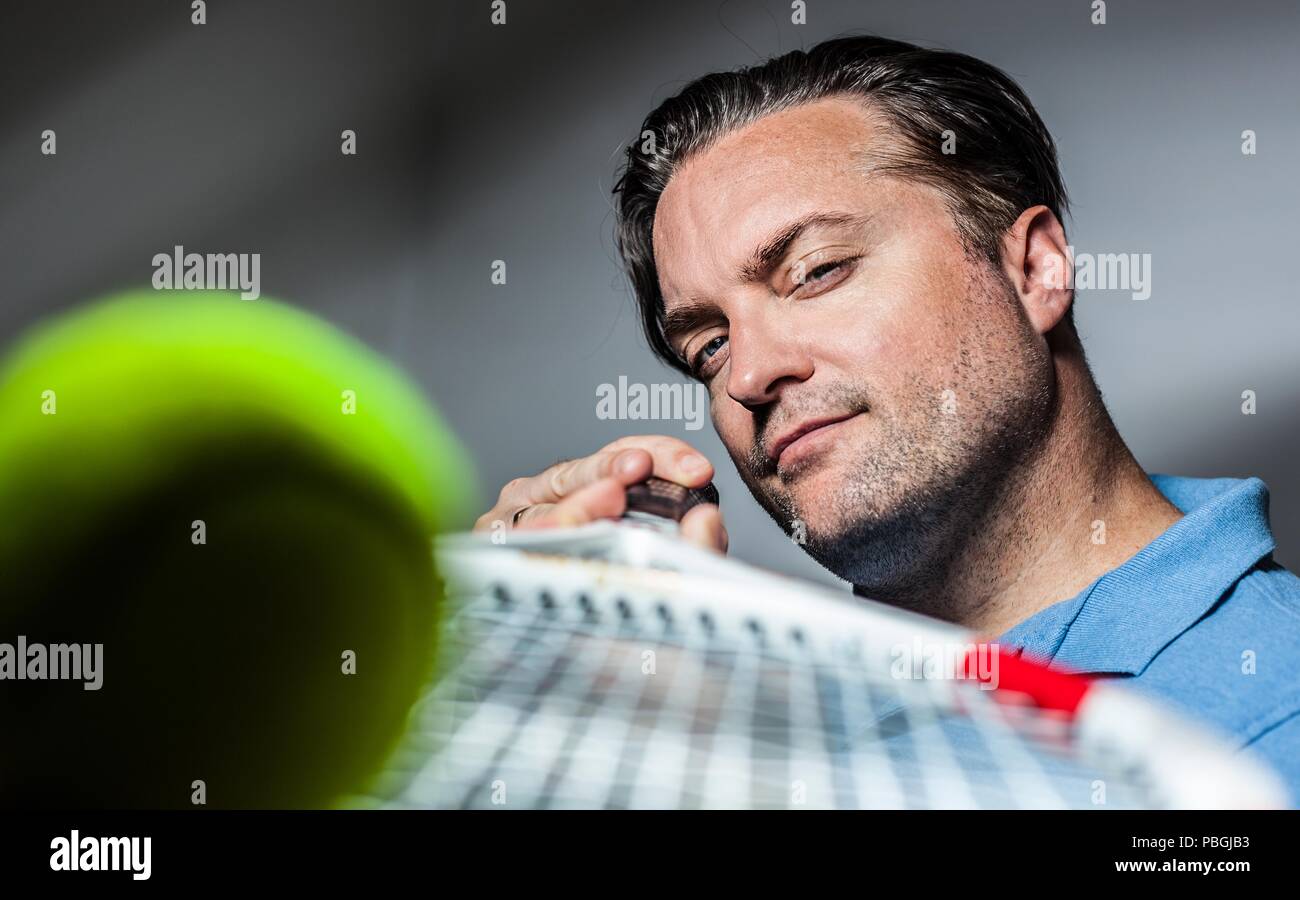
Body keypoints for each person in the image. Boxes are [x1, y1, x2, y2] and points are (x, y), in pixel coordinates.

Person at [473, 36, 1300, 803]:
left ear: (1035, 269)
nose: (752, 375)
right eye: (711, 345)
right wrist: (537, 704)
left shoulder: (1278, 712)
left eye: (817, 271)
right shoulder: (748, 739)